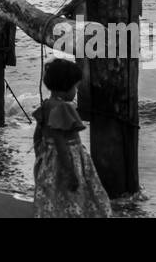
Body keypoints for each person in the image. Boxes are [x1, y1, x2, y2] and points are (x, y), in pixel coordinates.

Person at [31, 57, 111, 218]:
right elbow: (61, 143)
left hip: (49, 159)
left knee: (55, 194)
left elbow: (38, 133)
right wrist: (70, 172)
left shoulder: (47, 105)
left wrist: (41, 155)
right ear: (65, 88)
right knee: (76, 193)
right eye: (75, 87)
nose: (76, 92)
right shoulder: (63, 108)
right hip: (67, 158)